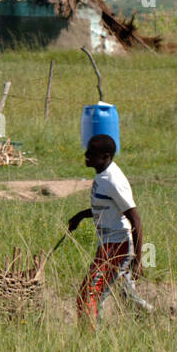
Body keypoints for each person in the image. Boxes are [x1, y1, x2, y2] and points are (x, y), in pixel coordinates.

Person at [68, 134, 152, 324]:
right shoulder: (102, 175)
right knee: (127, 297)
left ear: (105, 156)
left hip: (116, 247)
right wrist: (81, 216)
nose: (86, 155)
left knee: (89, 295)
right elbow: (107, 208)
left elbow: (135, 220)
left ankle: (90, 340)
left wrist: (138, 260)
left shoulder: (114, 181)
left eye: (91, 152)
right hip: (108, 244)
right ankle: (155, 319)